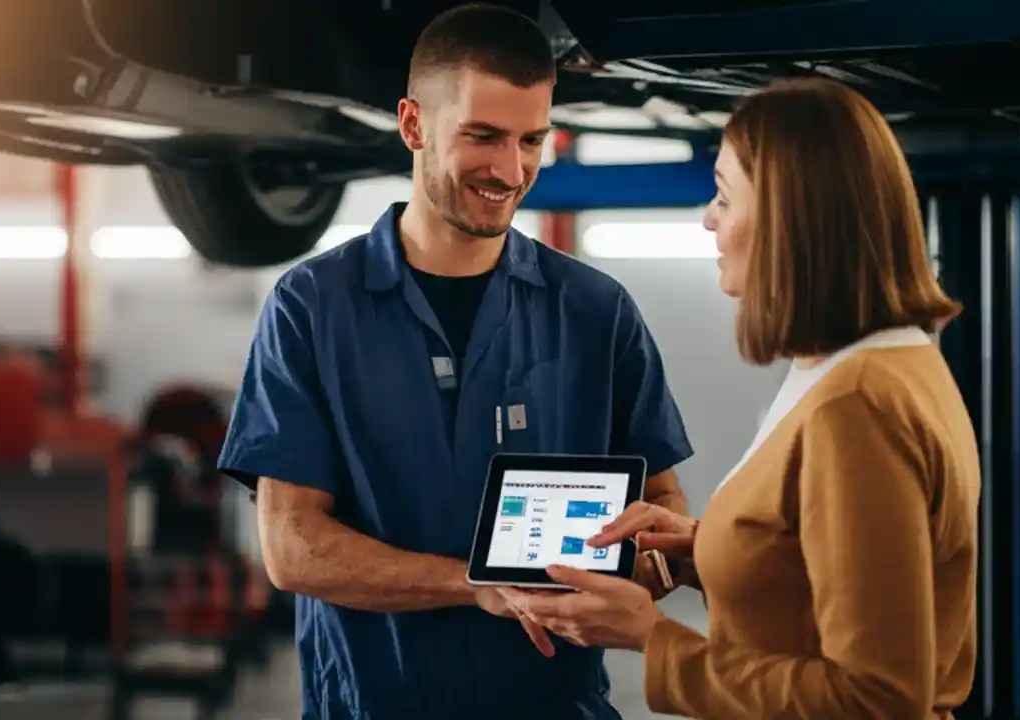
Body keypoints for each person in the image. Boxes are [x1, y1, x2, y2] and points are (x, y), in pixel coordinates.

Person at [216, 4, 694, 718]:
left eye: (532, 139)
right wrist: (475, 583)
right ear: (414, 125)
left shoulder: (596, 311)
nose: (511, 169)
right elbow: (291, 547)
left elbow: (662, 510)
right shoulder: (312, 308)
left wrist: (640, 573)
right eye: (483, 137)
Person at [503, 76, 981, 720]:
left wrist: (651, 637)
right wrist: (708, 549)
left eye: (725, 197)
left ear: (790, 220)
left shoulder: (857, 406)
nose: (708, 217)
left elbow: (875, 701)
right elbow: (819, 574)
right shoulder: (885, 361)